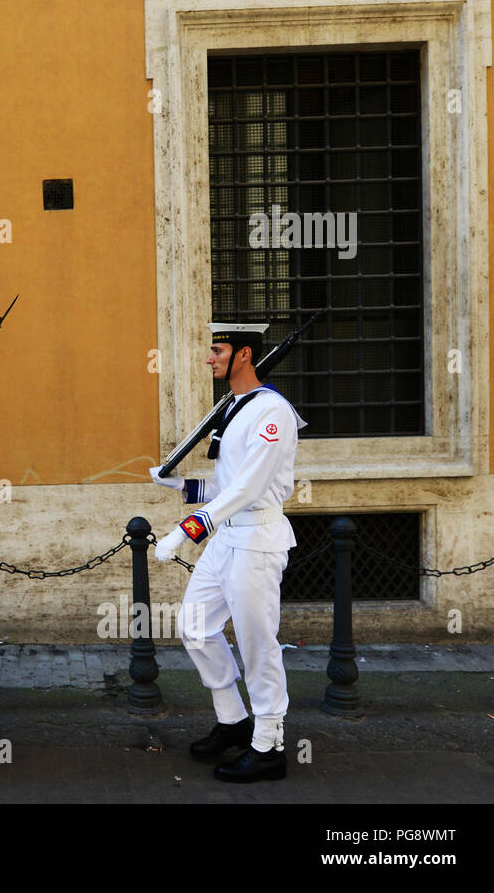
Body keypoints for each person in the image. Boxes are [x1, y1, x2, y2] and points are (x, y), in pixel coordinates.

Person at [152, 323, 305, 783]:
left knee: (259, 644)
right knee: (196, 626)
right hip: (228, 538)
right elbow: (227, 483)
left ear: (243, 354)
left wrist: (187, 529)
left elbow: (251, 488)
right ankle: (234, 719)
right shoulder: (237, 407)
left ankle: (269, 745)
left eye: (217, 351)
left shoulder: (272, 411)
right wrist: (182, 485)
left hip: (256, 539)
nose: (209, 358)